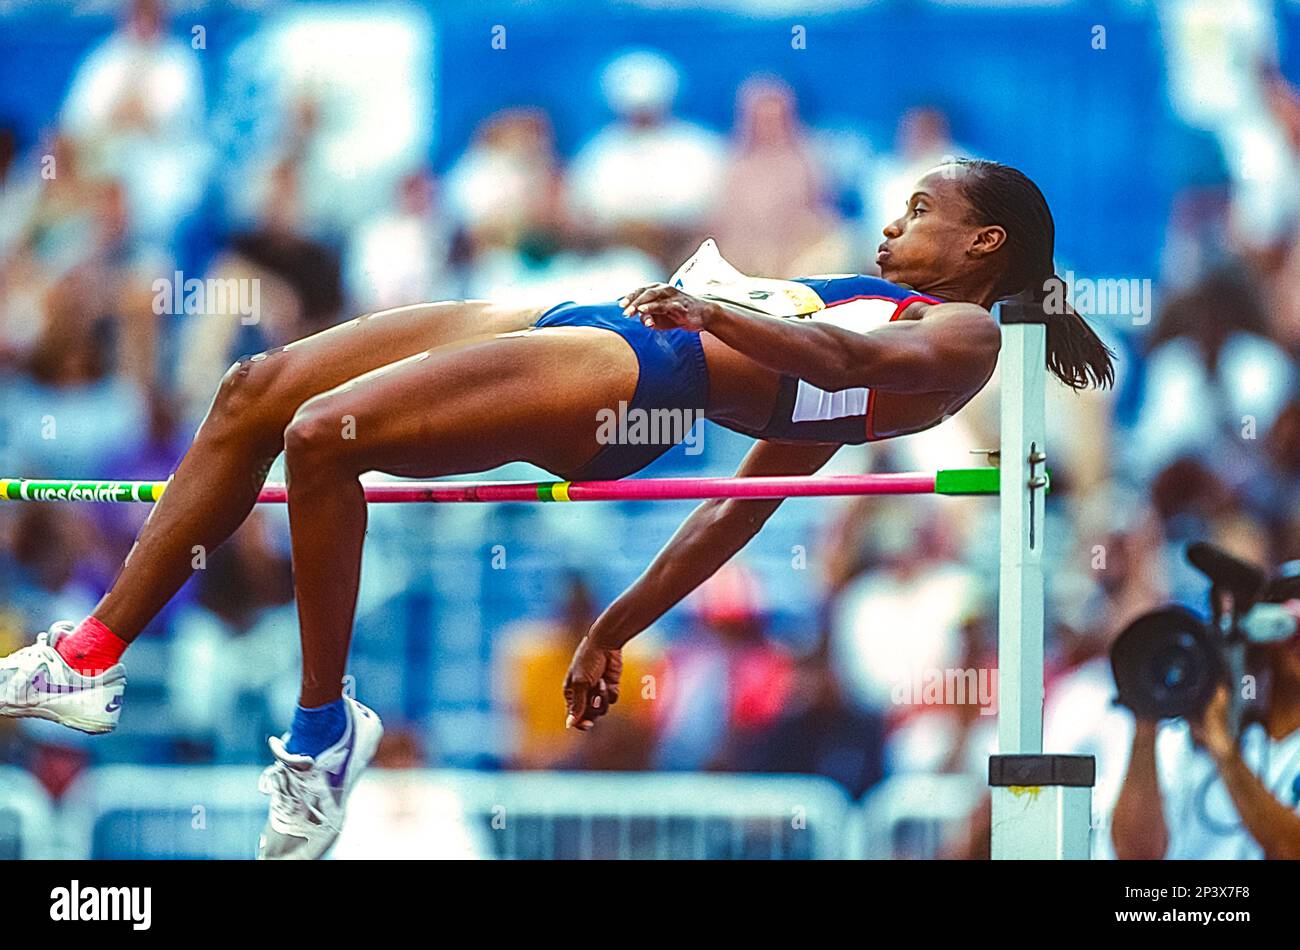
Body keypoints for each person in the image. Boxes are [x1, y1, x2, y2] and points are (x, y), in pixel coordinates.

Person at [0, 158, 1113, 860]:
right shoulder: (884, 323)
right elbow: (746, 500)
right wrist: (612, 625)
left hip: (632, 375)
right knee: (255, 393)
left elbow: (819, 349)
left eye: (919, 212)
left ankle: (325, 729)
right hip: (594, 316)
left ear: (985, 245)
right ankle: (89, 652)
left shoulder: (961, 338)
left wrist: (710, 305)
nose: (889, 226)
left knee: (320, 438)